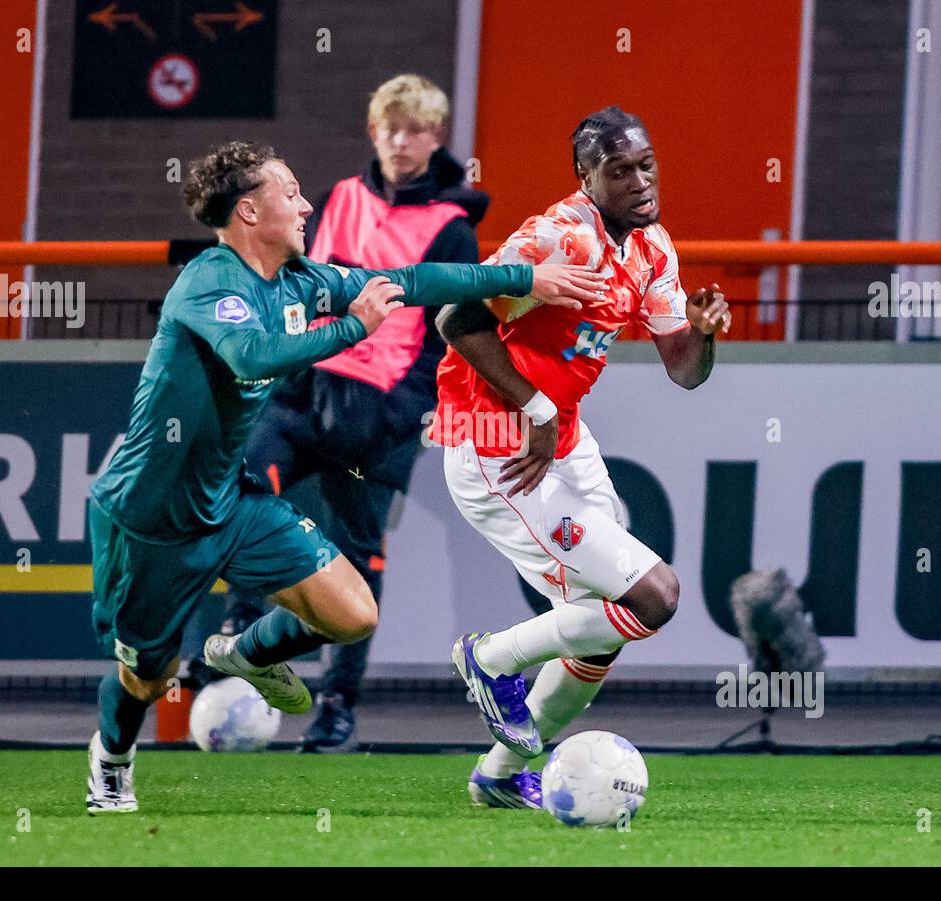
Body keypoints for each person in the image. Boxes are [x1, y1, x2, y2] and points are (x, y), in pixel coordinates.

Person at [85, 140, 605, 813]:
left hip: (229, 502)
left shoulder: (302, 280)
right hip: (150, 516)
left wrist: (519, 280)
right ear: (249, 210)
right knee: (146, 680)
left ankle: (246, 652)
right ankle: (112, 761)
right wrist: (354, 328)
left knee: (352, 613)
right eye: (290, 192)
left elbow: (411, 282)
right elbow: (252, 356)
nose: (306, 204)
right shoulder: (211, 279)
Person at [431, 107, 731, 809]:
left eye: (645, 164)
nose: (639, 181)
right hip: (498, 447)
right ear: (586, 179)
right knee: (655, 596)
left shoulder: (653, 247)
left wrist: (704, 332)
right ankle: (489, 657)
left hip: (563, 440)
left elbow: (684, 371)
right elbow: (457, 318)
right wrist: (533, 407)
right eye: (618, 171)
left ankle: (500, 778)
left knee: (599, 636)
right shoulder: (556, 238)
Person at [221, 75, 490, 753]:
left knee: (356, 559)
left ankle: (337, 705)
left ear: (436, 138)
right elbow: (297, 280)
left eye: (416, 130)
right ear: (375, 132)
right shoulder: (338, 197)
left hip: (379, 415)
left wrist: (403, 410)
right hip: (306, 385)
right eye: (390, 128)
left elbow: (449, 336)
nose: (402, 141)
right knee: (242, 481)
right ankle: (241, 631)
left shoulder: (453, 230)